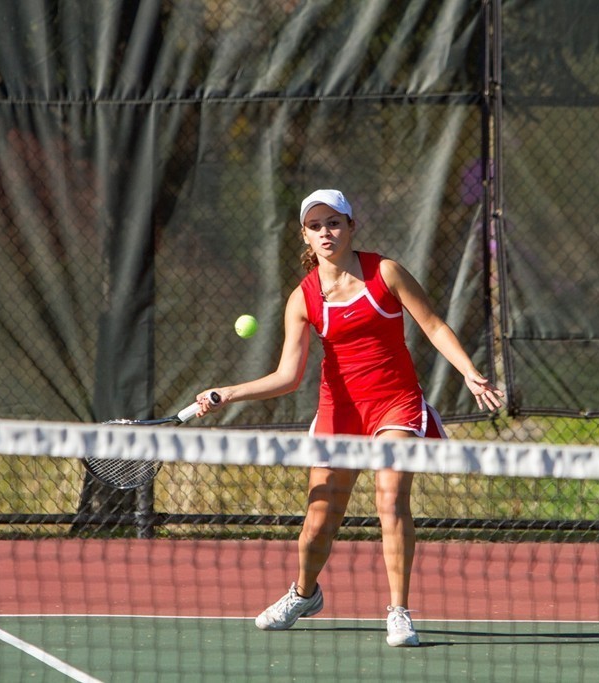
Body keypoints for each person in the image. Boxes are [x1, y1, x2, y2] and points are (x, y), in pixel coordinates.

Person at [193, 188, 504, 647]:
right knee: (318, 523)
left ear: (351, 226)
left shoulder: (386, 272)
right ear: (305, 235)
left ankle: (398, 611)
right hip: (339, 413)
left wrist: (469, 372)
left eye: (334, 223)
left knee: (390, 499)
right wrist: (230, 393)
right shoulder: (303, 299)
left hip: (395, 403)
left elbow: (433, 324)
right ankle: (305, 593)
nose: (326, 232)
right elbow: (287, 376)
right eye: (315, 226)